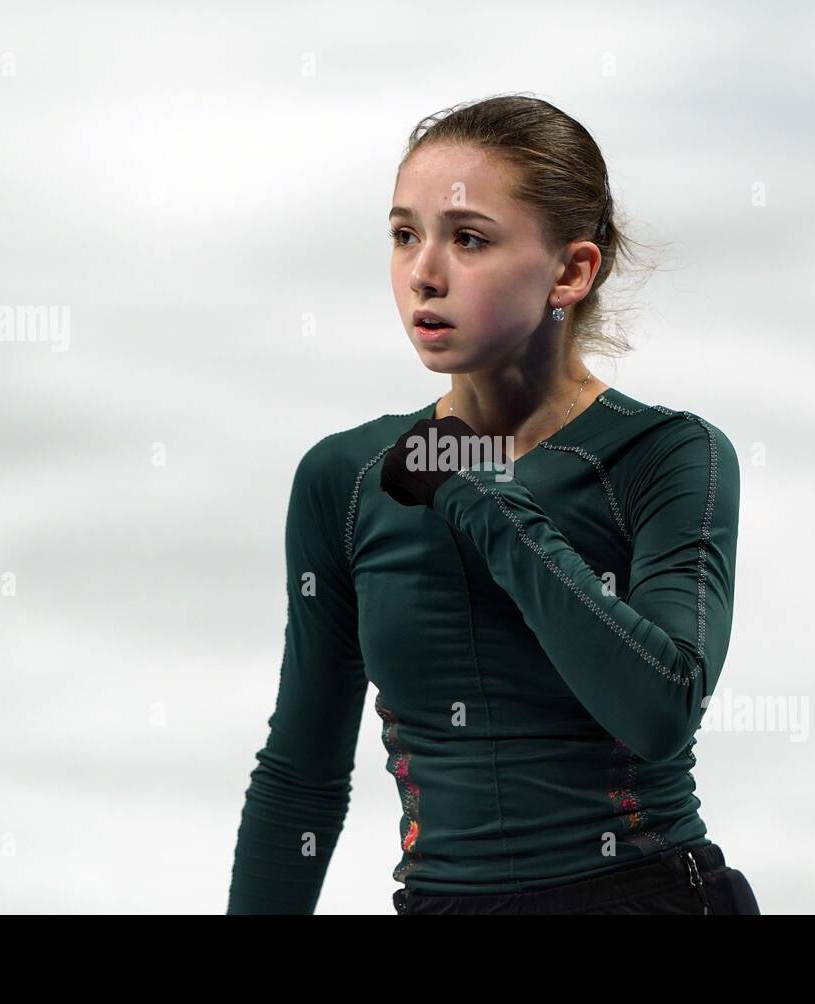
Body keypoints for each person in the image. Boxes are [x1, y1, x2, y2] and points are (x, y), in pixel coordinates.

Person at [226, 93, 760, 915]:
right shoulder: (348, 476)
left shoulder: (667, 456)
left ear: (571, 272)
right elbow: (302, 770)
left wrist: (480, 487)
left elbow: (660, 708)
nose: (423, 272)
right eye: (406, 234)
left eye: (468, 239)